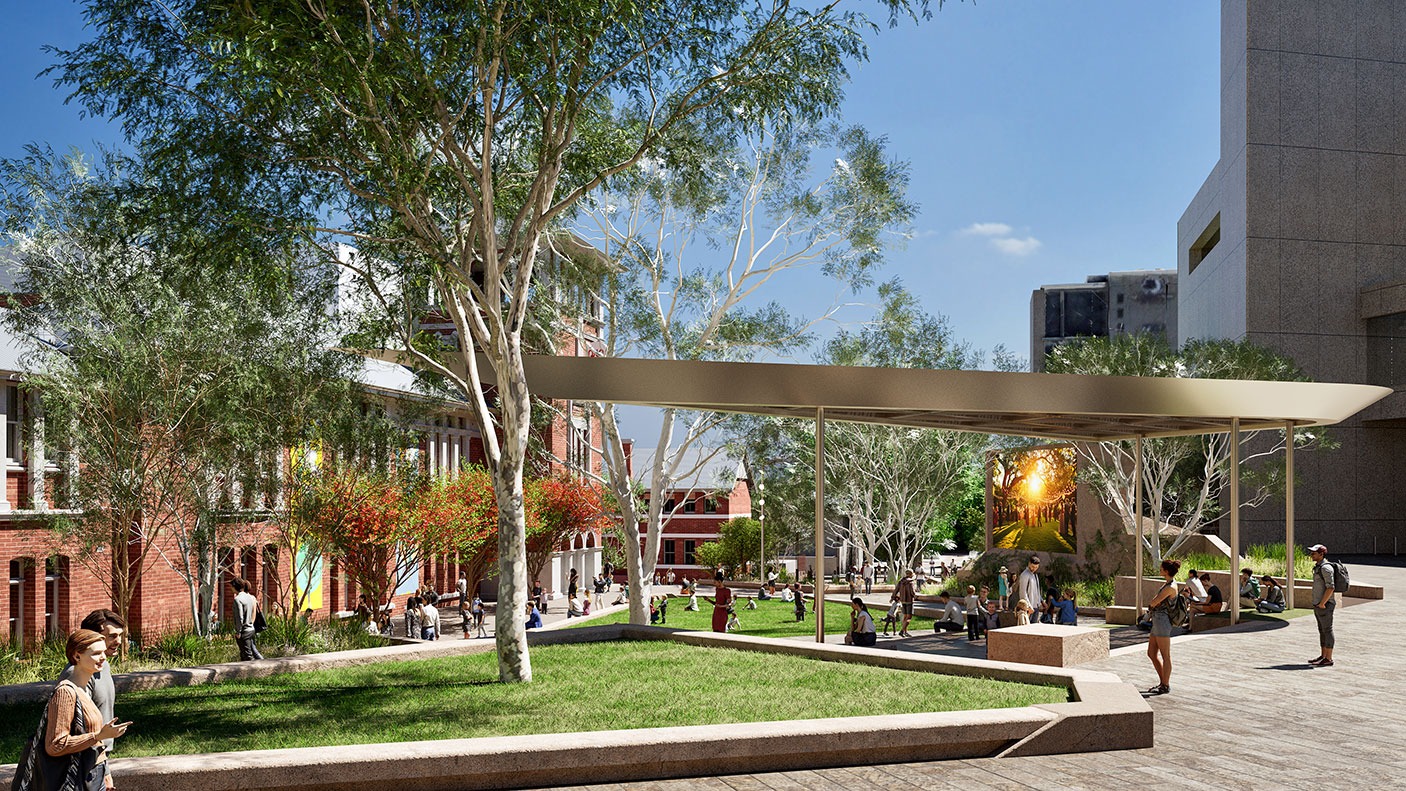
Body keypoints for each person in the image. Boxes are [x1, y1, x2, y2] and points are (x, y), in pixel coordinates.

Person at [18, 630, 132, 791]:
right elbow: (55, 745)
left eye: (103, 652)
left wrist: (105, 775)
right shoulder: (65, 692)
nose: (103, 657)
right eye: (96, 653)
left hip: (92, 775)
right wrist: (99, 736)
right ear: (77, 656)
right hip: (77, 779)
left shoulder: (83, 689)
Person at [57, 610, 125, 790]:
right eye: (112, 636)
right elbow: (80, 727)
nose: (118, 641)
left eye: (120, 635)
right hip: (82, 764)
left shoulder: (103, 666)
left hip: (98, 761)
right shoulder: (76, 675)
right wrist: (106, 772)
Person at [1145, 559, 1180, 695]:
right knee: (1151, 653)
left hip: (1163, 622)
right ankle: (1163, 682)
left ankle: (1165, 684)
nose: (1159, 570)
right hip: (1157, 621)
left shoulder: (1171, 586)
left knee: (1166, 655)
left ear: (1166, 571)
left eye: (1161, 569)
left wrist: (1153, 603)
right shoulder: (1167, 584)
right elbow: (1155, 601)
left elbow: (1154, 602)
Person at [1308, 544, 1338, 667]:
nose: (1311, 555)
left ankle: (1329, 658)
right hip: (1318, 604)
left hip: (1325, 605)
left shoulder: (1326, 568)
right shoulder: (1318, 567)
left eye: (1314, 553)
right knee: (1322, 630)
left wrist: (1322, 603)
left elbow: (1331, 587)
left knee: (1327, 630)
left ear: (1321, 554)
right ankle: (1323, 656)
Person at [231, 577, 263, 661]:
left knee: (247, 656)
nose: (231, 589)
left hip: (244, 631)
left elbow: (239, 617)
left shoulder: (237, 600)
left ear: (235, 586)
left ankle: (256, 672)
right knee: (245, 654)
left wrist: (238, 631)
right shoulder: (250, 597)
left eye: (232, 586)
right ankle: (244, 673)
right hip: (251, 629)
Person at [1018, 556, 1043, 623]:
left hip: (1036, 607)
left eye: (1036, 567)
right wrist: (1028, 606)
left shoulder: (1035, 575)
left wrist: (1041, 601)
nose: (1034, 569)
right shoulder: (1025, 575)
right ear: (1029, 563)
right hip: (1028, 607)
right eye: (1032, 566)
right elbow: (1023, 592)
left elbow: (1037, 590)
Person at [893, 569, 917, 638]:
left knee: (905, 616)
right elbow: (912, 592)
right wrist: (915, 595)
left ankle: (905, 632)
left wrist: (892, 597)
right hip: (909, 600)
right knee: (909, 617)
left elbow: (896, 589)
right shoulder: (911, 582)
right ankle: (902, 630)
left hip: (903, 600)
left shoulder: (901, 581)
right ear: (910, 574)